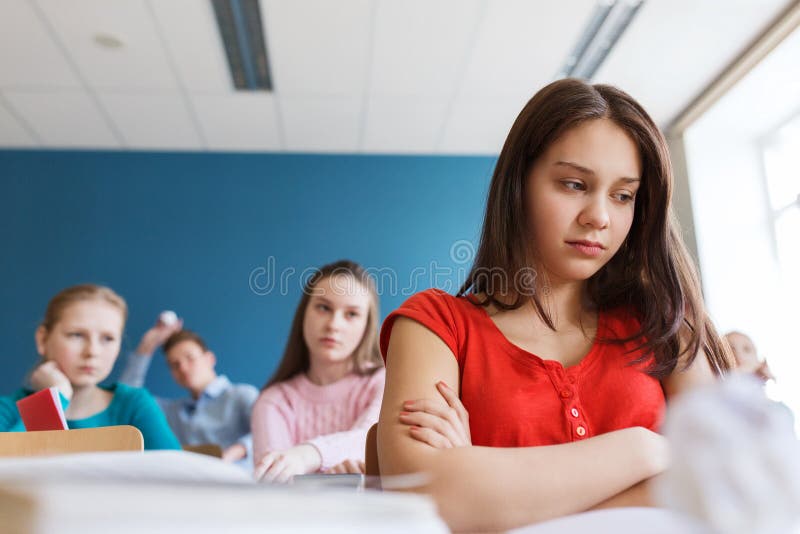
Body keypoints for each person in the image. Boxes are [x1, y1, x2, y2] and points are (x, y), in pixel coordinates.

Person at [377, 79, 733, 532]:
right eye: (573, 184)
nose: (599, 216)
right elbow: (423, 497)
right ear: (518, 184)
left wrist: (487, 493)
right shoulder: (435, 325)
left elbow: (720, 484)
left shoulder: (663, 320)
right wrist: (646, 450)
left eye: (623, 195)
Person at [0, 284, 180, 450]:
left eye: (107, 339)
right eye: (76, 335)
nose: (92, 351)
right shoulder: (7, 410)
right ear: (42, 339)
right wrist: (53, 400)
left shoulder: (134, 405)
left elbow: (179, 476)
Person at [251, 260, 385, 482]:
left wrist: (306, 456)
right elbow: (273, 480)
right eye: (324, 308)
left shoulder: (383, 382)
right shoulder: (273, 401)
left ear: (367, 325)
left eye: (351, 314)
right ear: (304, 314)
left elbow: (369, 441)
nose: (334, 324)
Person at [120, 324, 259, 465]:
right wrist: (147, 345)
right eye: (175, 365)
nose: (183, 368)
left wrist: (233, 453)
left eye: (190, 358)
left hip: (237, 481)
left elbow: (270, 432)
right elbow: (125, 399)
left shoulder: (241, 395)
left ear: (210, 359)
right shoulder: (172, 411)